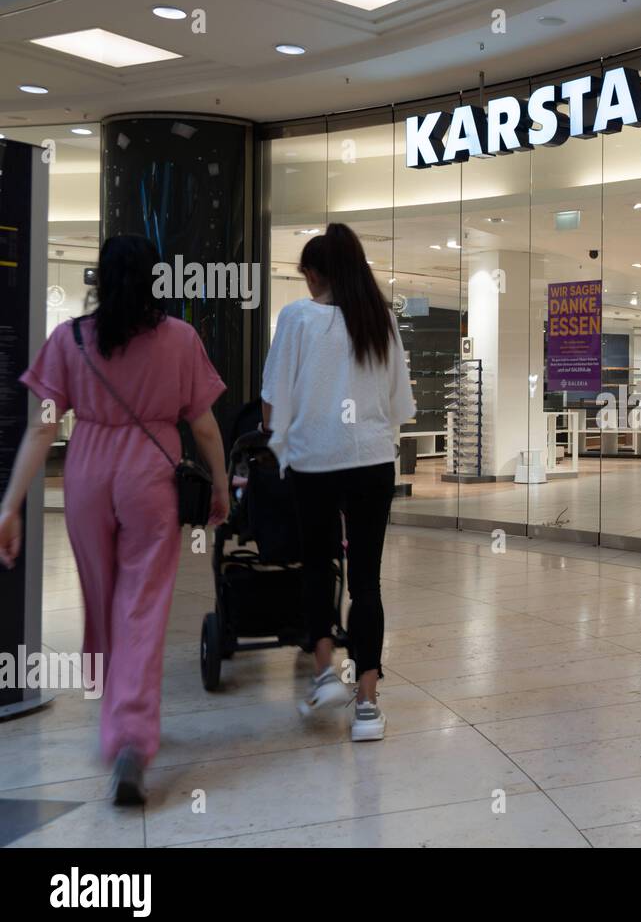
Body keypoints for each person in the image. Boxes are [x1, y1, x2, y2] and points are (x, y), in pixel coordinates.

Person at [0, 234, 229, 805]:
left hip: (86, 476)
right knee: (142, 607)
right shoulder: (179, 339)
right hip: (150, 476)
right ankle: (130, 733)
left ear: (99, 278)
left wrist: (9, 503)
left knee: (103, 598)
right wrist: (222, 483)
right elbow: (202, 426)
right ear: (156, 279)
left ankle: (116, 705)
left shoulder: (70, 339)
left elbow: (42, 427)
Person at [261, 222, 414, 741]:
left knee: (317, 564)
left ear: (314, 273)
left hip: (313, 461)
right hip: (371, 461)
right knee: (367, 580)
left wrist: (281, 434)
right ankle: (367, 705)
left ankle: (325, 673)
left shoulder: (297, 318)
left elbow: (271, 403)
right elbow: (399, 406)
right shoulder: (380, 319)